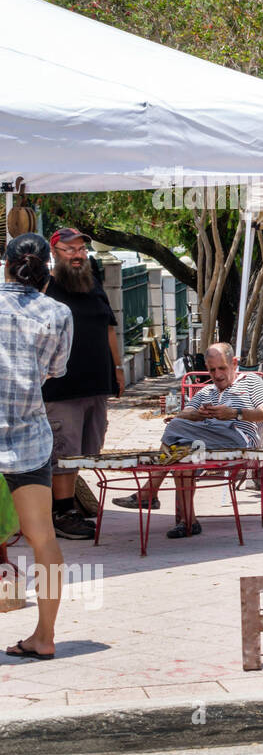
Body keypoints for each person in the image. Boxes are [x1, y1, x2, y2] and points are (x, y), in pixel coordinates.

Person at [113, 343, 263, 539]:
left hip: (238, 438)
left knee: (177, 434)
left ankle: (148, 492)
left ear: (234, 364)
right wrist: (197, 416)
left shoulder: (250, 381)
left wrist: (235, 413)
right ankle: (188, 522)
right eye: (212, 370)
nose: (217, 375)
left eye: (222, 368)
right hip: (205, 440)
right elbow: (184, 414)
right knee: (182, 447)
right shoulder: (207, 392)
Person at [1, 234, 72, 660]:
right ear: (47, 268)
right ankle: (44, 636)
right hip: (27, 437)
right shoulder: (58, 312)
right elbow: (55, 370)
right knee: (43, 539)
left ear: (6, 264)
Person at [42, 227, 123, 541]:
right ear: (55, 254)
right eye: (69, 249)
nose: (77, 255)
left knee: (86, 450)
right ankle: (62, 513)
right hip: (61, 387)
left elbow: (109, 327)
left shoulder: (94, 283)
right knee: (63, 451)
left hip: (96, 382)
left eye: (80, 249)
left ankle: (66, 506)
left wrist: (117, 369)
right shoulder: (44, 286)